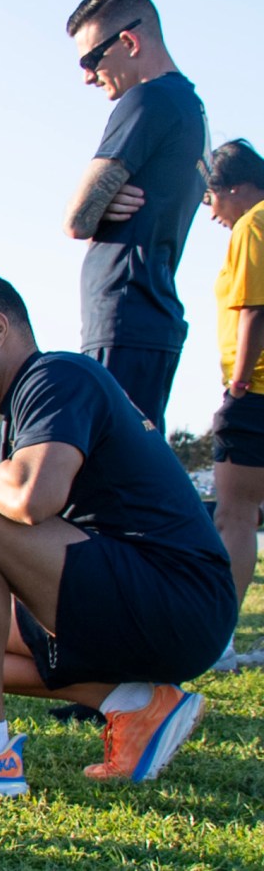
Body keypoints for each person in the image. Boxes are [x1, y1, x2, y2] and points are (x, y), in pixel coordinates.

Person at [0, 271, 235, 796]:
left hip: (177, 599)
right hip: (139, 596)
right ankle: (135, 705)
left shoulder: (55, 375)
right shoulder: (23, 411)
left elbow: (31, 499)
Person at [62, 0, 209, 431]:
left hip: (125, 313)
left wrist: (92, 209)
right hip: (147, 314)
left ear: (128, 41)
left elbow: (76, 219)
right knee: (134, 466)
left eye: (91, 59)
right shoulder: (189, 106)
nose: (87, 77)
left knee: (115, 474)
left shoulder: (149, 100)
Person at [203, 139, 264, 672]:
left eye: (212, 196)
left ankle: (216, 642)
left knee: (235, 516)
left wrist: (239, 384)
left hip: (257, 394)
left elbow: (251, 309)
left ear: (237, 188)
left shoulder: (253, 224)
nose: (210, 209)